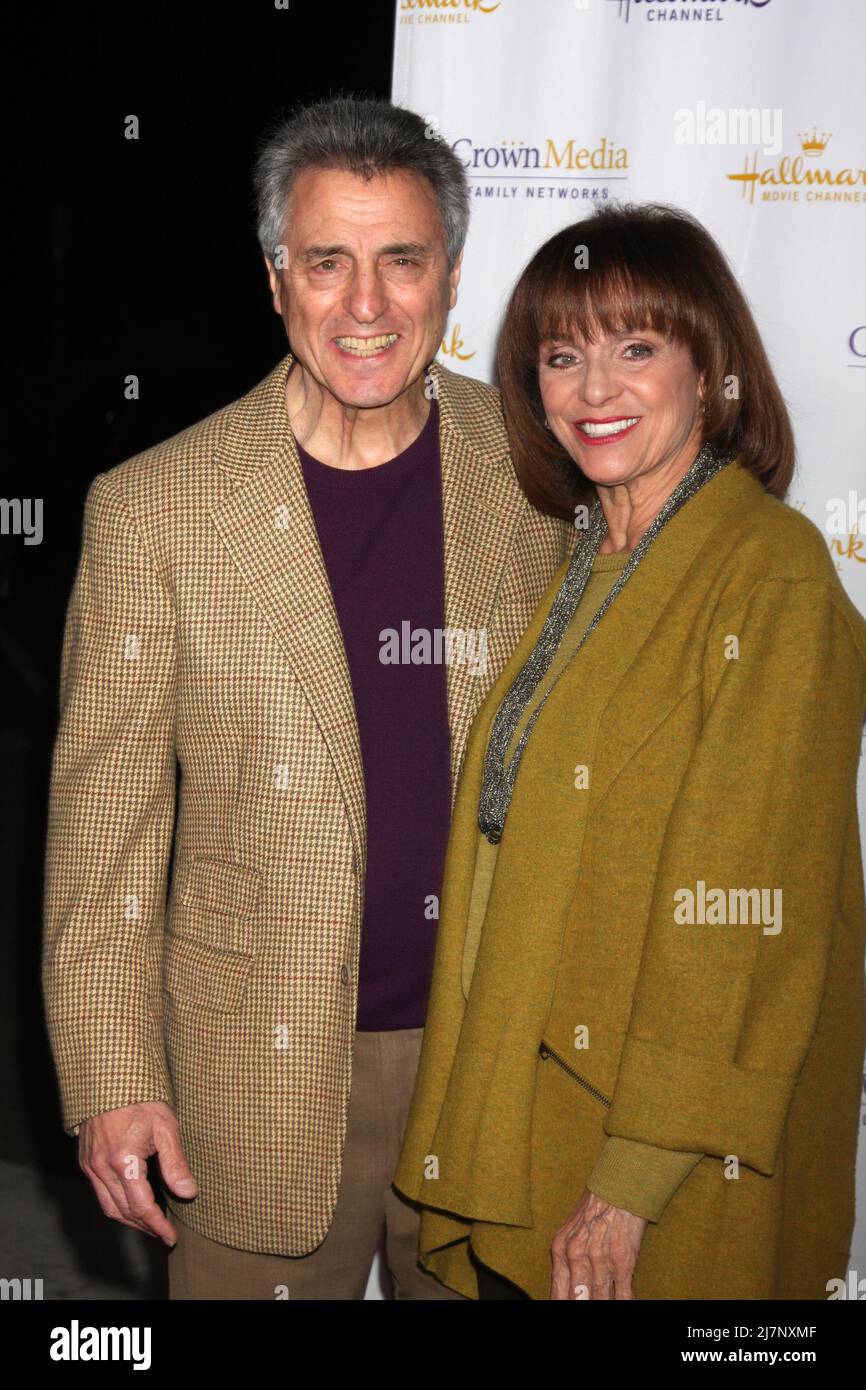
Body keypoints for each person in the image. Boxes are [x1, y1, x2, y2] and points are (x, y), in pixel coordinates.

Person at [41, 95, 574, 1300]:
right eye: (327, 262)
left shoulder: (543, 474)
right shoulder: (152, 510)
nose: (368, 304)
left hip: (494, 1069)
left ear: (449, 277)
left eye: (402, 261)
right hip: (250, 1079)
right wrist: (112, 1073)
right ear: (277, 278)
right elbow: (104, 829)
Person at [393, 202, 866, 1301]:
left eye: (634, 347)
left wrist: (630, 1181)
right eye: (561, 355)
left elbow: (746, 917)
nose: (592, 388)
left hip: (659, 1163)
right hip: (546, 1115)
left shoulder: (766, 574)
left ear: (709, 371)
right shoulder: (584, 556)